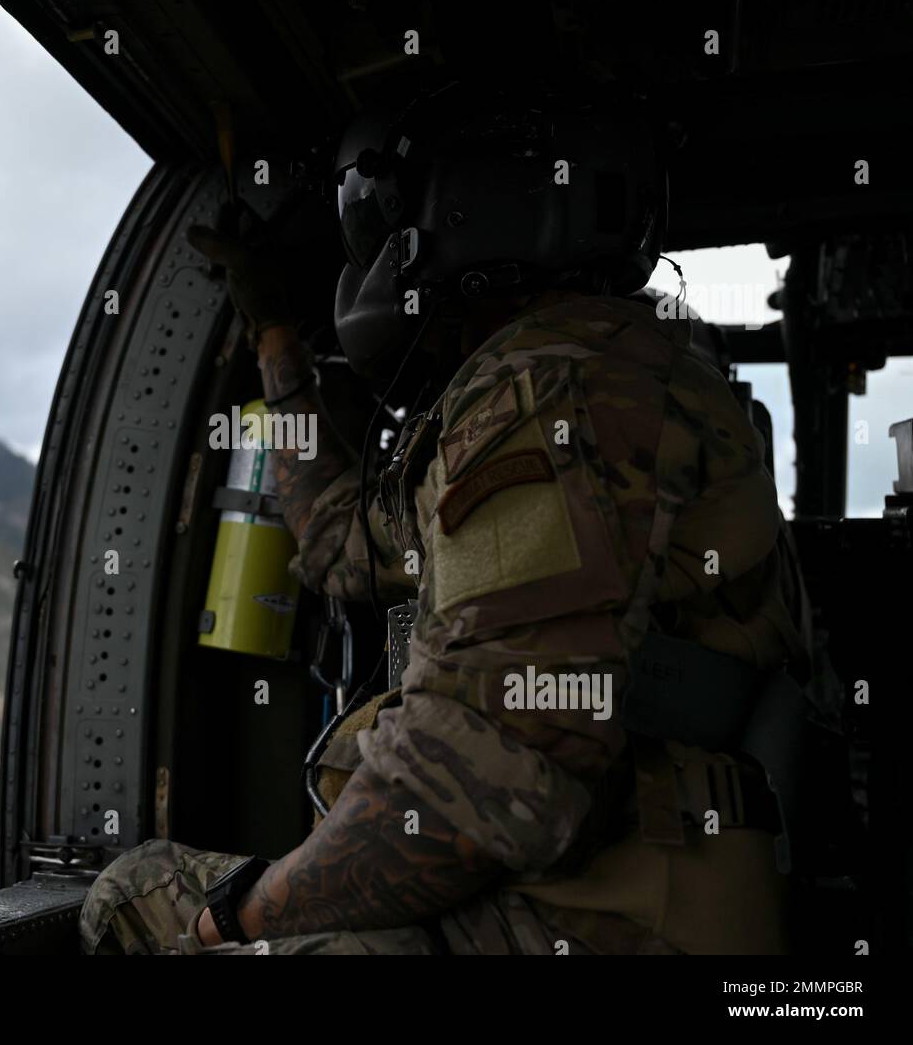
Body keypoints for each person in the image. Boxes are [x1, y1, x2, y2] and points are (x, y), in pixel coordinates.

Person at [80, 89, 828, 955]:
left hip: (601, 913)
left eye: (380, 219)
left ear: (462, 213)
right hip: (587, 885)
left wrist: (239, 917)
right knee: (135, 889)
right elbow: (336, 542)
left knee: (145, 909)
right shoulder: (581, 374)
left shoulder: (553, 389)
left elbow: (479, 788)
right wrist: (276, 338)